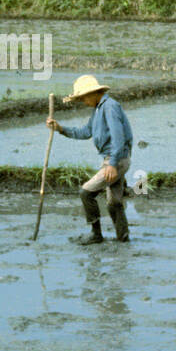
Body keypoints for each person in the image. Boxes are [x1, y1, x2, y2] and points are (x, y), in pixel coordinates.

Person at [46, 74, 134, 245]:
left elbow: (119, 137)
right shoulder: (98, 110)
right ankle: (123, 238)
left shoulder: (109, 107)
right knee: (114, 202)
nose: (83, 102)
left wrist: (113, 165)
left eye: (83, 98)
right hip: (114, 160)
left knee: (86, 192)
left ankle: (96, 234)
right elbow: (86, 132)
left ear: (94, 93)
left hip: (116, 160)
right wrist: (60, 129)